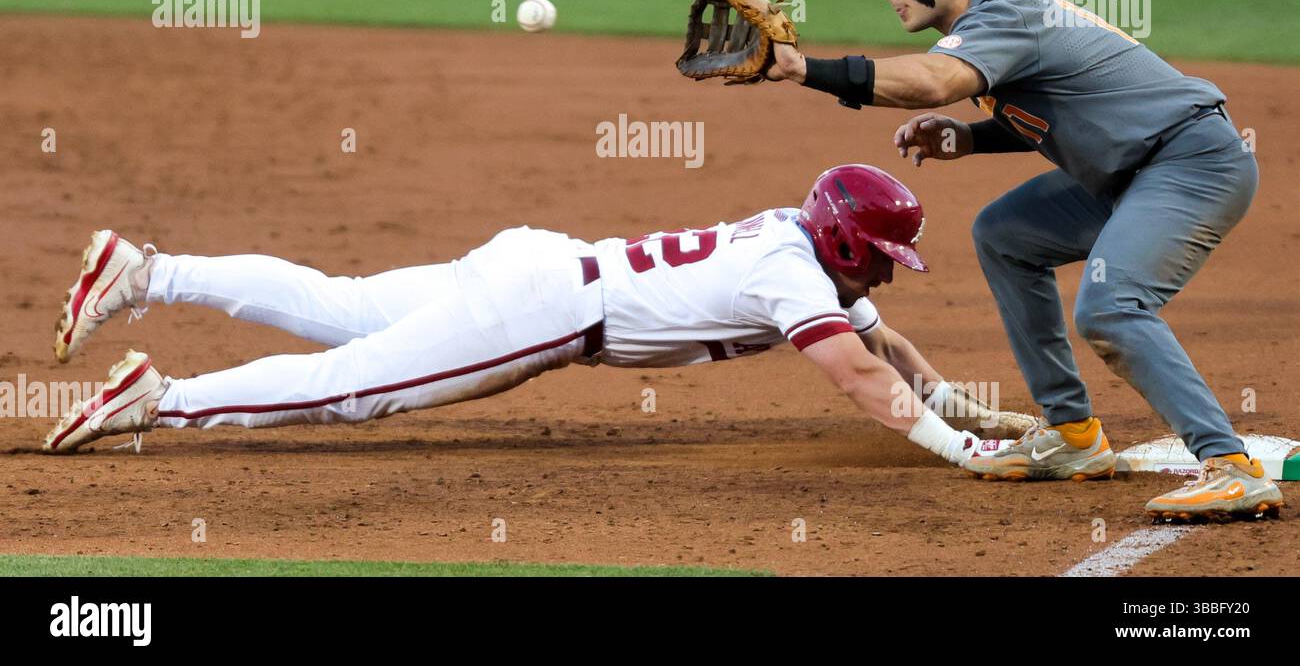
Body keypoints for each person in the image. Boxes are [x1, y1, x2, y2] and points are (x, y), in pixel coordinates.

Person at [762, 0, 1283, 521]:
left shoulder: (1004, 13)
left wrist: (805, 69)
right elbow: (1063, 104)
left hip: (1192, 163)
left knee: (1112, 306)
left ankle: (1231, 467)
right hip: (1134, 171)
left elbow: (933, 82)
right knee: (1007, 234)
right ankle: (1073, 437)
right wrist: (969, 138)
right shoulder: (991, 26)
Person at [45, 165, 1030, 460]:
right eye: (884, 255)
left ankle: (149, 271)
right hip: (541, 315)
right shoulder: (793, 279)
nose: (888, 276)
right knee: (351, 390)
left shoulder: (794, 245)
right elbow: (857, 374)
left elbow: (878, 341)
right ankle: (160, 398)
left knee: (343, 306)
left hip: (538, 261)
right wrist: (960, 449)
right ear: (849, 240)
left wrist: (956, 404)